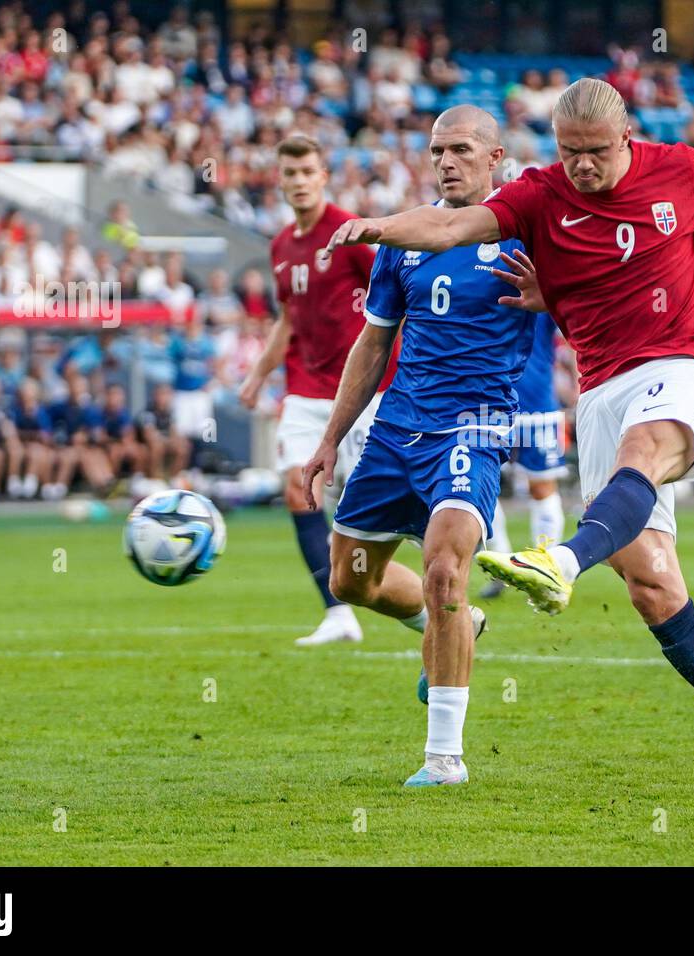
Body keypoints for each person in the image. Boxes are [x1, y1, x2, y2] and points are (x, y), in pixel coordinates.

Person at [324, 77, 694, 802]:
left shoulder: (683, 171)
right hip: (601, 390)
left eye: (597, 152)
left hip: (682, 365)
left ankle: (562, 559)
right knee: (654, 589)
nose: (583, 165)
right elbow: (450, 228)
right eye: (570, 151)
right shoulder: (539, 196)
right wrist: (378, 227)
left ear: (627, 137)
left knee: (642, 453)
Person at [303, 106, 540, 787]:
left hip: (474, 426)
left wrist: (550, 294)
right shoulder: (404, 239)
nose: (445, 161)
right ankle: (461, 627)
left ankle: (444, 757)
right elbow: (374, 341)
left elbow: (584, 300)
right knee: (349, 580)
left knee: (444, 571)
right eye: (437, 151)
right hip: (396, 427)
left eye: (460, 149)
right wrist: (330, 439)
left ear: (494, 157)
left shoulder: (525, 230)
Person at [239, 135, 396, 647]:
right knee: (298, 489)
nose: (299, 181)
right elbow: (288, 319)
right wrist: (258, 374)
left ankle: (434, 594)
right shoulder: (281, 246)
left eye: (308, 171)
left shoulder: (350, 234)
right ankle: (337, 613)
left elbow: (396, 294)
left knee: (377, 510)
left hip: (363, 392)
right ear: (280, 180)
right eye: (290, 173)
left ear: (323, 176)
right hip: (305, 390)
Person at [481, 311, 568, 598]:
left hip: (537, 405)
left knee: (541, 487)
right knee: (482, 486)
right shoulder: (479, 290)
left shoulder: (541, 294)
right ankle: (500, 563)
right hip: (488, 405)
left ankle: (547, 568)